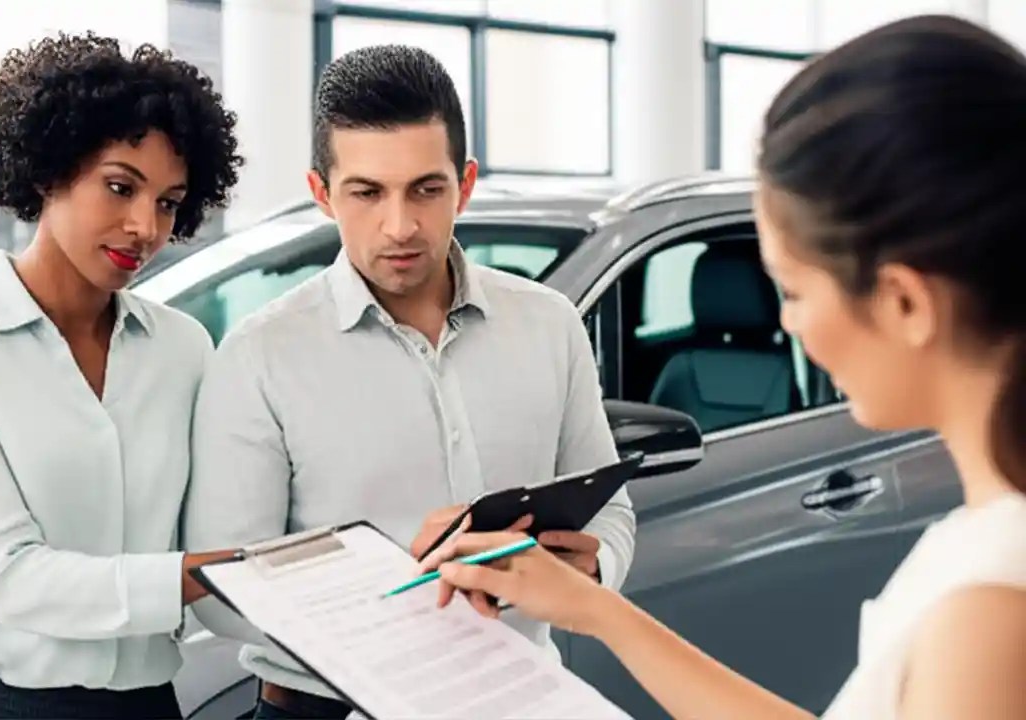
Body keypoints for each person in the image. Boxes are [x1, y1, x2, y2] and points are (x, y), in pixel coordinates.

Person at [422, 14, 1026, 720]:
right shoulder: (987, 557)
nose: (789, 324)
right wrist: (595, 611)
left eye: (794, 291)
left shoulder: (988, 612)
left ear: (903, 302)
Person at [183, 44, 636, 720]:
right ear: (321, 194)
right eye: (367, 192)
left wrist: (590, 571)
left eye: (427, 189)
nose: (401, 226)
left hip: (520, 700)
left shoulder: (550, 325)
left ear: (467, 183)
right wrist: (409, 617)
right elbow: (228, 594)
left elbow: (611, 512)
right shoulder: (258, 357)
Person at [0, 33, 243, 720]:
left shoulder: (183, 348)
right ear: (48, 172)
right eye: (119, 186)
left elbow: (224, 513)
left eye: (169, 202)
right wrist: (208, 574)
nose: (144, 226)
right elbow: (9, 576)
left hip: (148, 705)